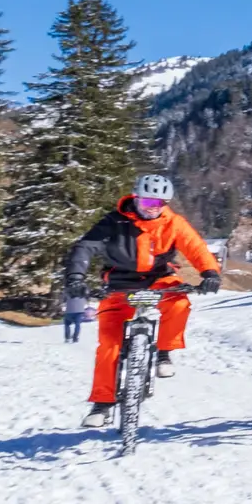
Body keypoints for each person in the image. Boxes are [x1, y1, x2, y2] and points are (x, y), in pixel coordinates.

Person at [65, 174, 221, 427]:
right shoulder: (114, 221)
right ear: (135, 197)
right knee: (109, 344)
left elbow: (196, 248)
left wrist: (210, 273)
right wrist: (75, 277)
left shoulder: (174, 223)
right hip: (119, 284)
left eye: (159, 204)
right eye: (147, 202)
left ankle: (164, 353)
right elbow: (85, 247)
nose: (152, 208)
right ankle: (102, 404)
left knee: (179, 302)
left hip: (159, 280)